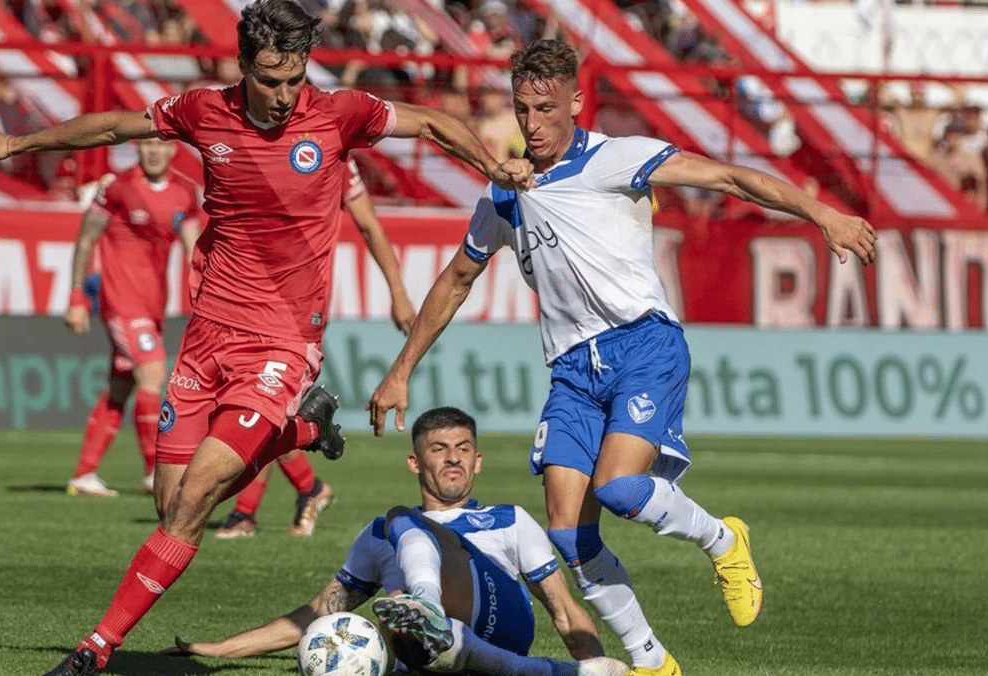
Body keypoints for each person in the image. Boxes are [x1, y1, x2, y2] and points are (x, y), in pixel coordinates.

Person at [0, 1, 533, 674]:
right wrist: (17, 144)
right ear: (243, 68)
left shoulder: (339, 113)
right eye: (271, 81)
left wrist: (494, 168)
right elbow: (116, 125)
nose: (286, 96)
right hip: (207, 335)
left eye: (295, 80)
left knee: (199, 498)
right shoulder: (203, 111)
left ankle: (96, 647)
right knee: (171, 502)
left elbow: (437, 121)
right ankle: (302, 432)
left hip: (282, 343)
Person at [367, 39, 878, 676]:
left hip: (644, 344)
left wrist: (819, 212)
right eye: (522, 109)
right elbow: (455, 281)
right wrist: (401, 369)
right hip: (572, 372)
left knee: (619, 488)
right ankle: (651, 660)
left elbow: (726, 176)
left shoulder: (617, 159)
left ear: (576, 103)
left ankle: (725, 538)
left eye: (546, 108)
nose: (533, 124)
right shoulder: (504, 197)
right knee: (566, 533)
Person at [163, 406, 626, 676]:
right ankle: (437, 632)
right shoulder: (378, 539)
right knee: (396, 588)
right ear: (414, 462)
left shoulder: (509, 520)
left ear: (478, 461)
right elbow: (324, 610)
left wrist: (594, 656)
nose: (453, 460)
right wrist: (221, 649)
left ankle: (426, 610)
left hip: (503, 624)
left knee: (401, 526)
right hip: (437, 656)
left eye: (463, 449)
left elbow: (563, 609)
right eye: (439, 449)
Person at [214, 158, 416, 538]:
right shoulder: (253, 147)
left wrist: (399, 293)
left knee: (262, 408)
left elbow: (370, 226)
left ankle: (247, 513)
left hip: (298, 311)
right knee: (254, 411)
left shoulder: (333, 158)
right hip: (249, 304)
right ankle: (308, 488)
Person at [64, 137, 201, 498]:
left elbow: (194, 249)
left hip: (154, 304)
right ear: (137, 148)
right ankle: (155, 470)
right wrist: (78, 296)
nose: (154, 150)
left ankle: (84, 473)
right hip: (121, 301)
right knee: (154, 371)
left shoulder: (186, 192)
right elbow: (85, 240)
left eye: (162, 144)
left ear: (174, 150)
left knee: (121, 386)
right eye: (147, 144)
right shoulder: (117, 188)